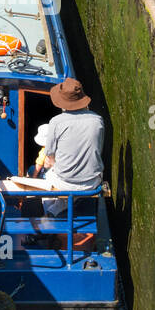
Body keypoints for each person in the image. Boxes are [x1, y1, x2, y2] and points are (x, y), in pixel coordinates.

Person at [40, 78, 104, 215]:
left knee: (45, 171)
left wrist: (51, 163)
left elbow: (50, 155)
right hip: (92, 183)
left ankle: (51, 212)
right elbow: (97, 150)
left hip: (64, 183)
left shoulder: (56, 122)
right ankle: (59, 209)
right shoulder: (98, 120)